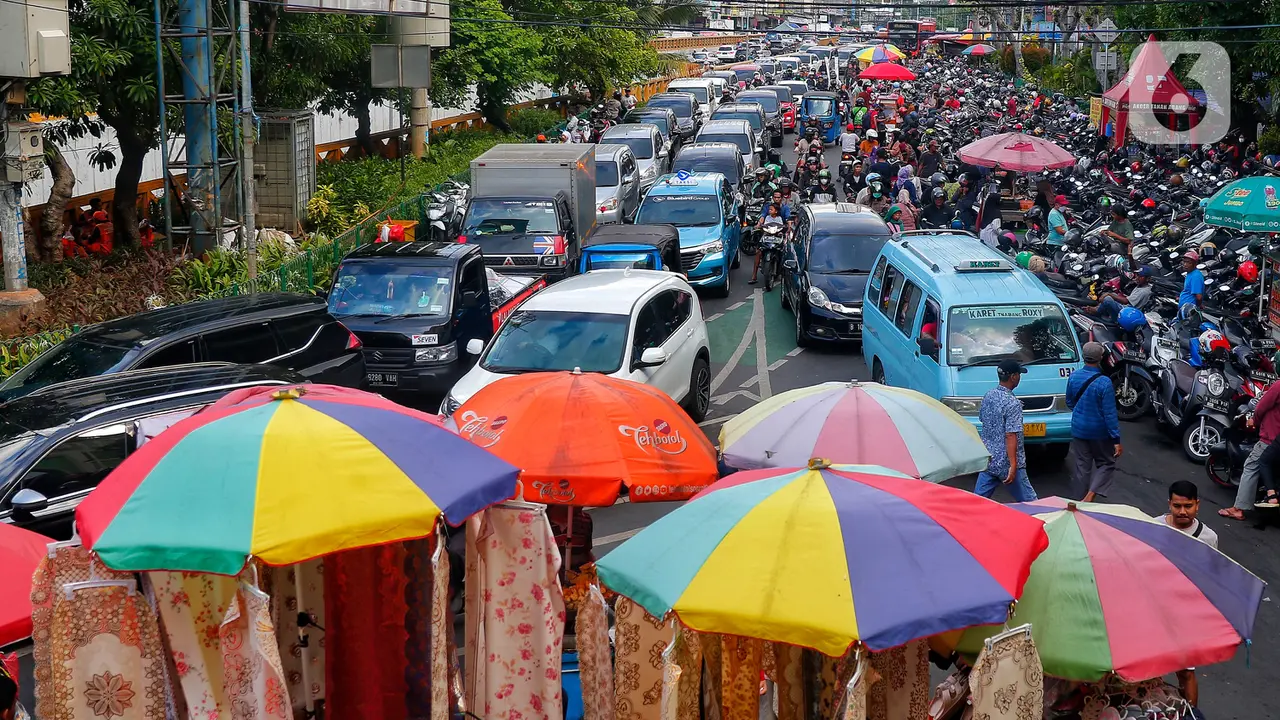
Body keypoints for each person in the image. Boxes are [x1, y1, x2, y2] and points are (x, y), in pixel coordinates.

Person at [1162, 479, 1217, 708]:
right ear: (1169, 504)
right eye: (1177, 506)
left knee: (1185, 672)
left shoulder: (1209, 538)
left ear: (1198, 505)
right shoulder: (1153, 526)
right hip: (1155, 610)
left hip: (1186, 615)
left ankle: (1191, 714)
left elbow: (1211, 577)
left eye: (1188, 506)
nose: (1182, 512)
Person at [975, 359, 1039, 502]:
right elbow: (1011, 435)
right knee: (1032, 504)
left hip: (989, 460)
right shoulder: (1013, 403)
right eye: (1019, 375)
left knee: (977, 502)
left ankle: (963, 522)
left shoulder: (989, 395)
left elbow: (982, 418)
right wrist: (1013, 465)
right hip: (1006, 463)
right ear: (1014, 377)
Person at [1067, 342, 1123, 503]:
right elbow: (1110, 414)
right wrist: (1116, 440)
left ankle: (1077, 502)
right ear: (1100, 358)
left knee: (1081, 468)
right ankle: (1090, 496)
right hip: (1099, 432)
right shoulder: (1104, 382)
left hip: (1078, 429)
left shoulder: (1074, 376)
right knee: (1106, 463)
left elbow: (1070, 402)